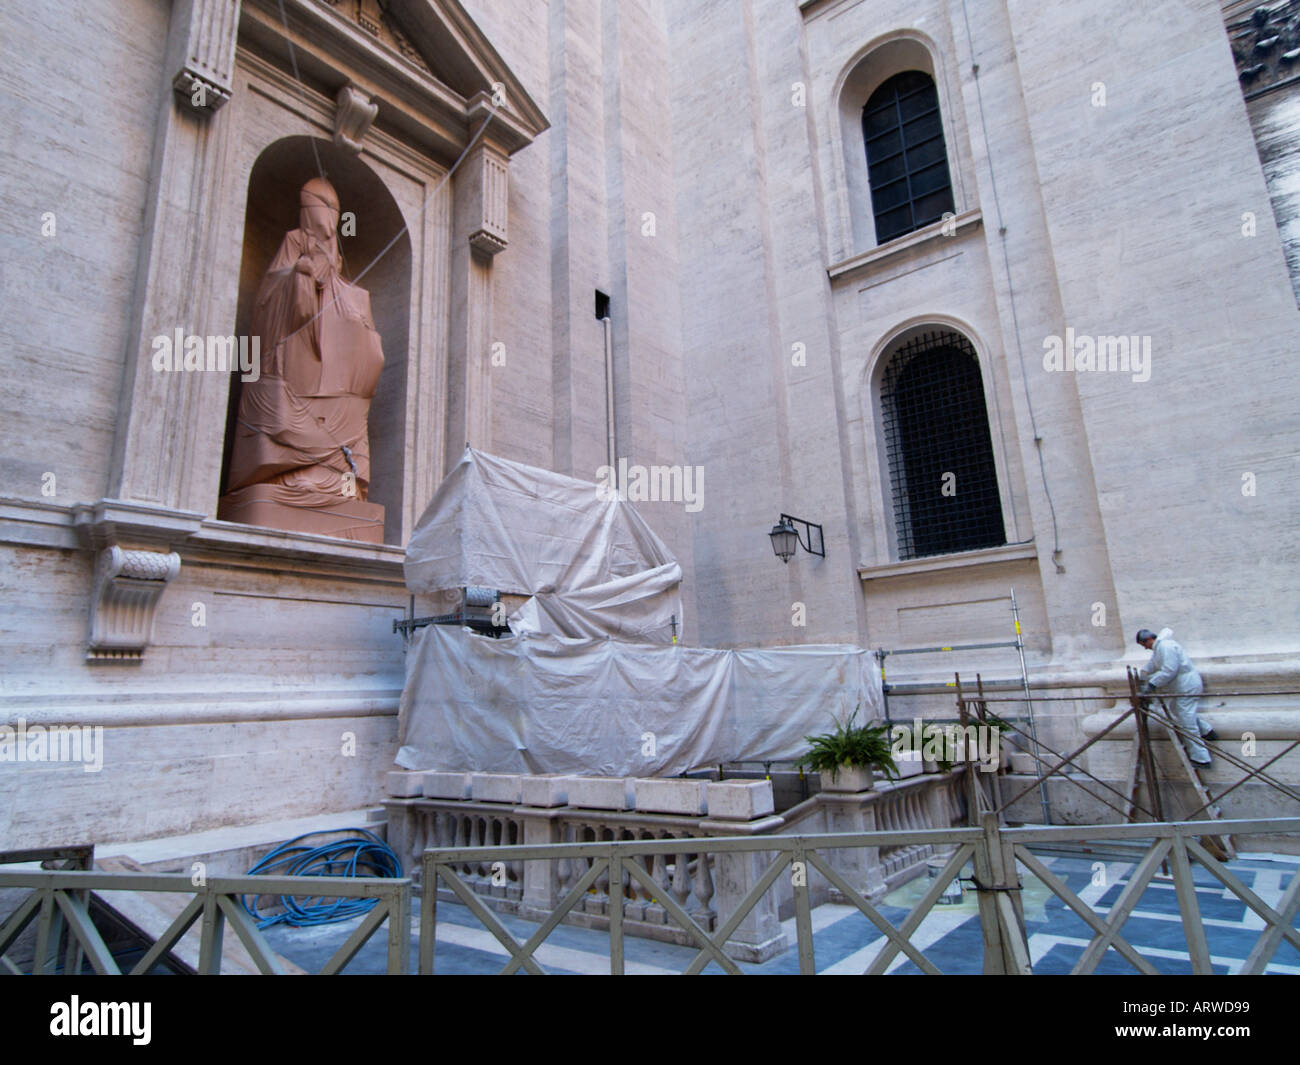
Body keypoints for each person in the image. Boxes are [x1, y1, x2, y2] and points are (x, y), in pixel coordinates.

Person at [1135, 627, 1218, 767]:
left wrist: (1152, 684)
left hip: (1187, 686)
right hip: (1183, 686)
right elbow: (1153, 664)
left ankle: (1201, 758)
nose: (1145, 648)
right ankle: (1207, 731)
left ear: (1149, 639)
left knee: (1187, 721)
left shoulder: (1165, 646)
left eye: (1144, 645)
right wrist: (1144, 672)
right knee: (1176, 710)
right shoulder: (1160, 648)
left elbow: (1169, 670)